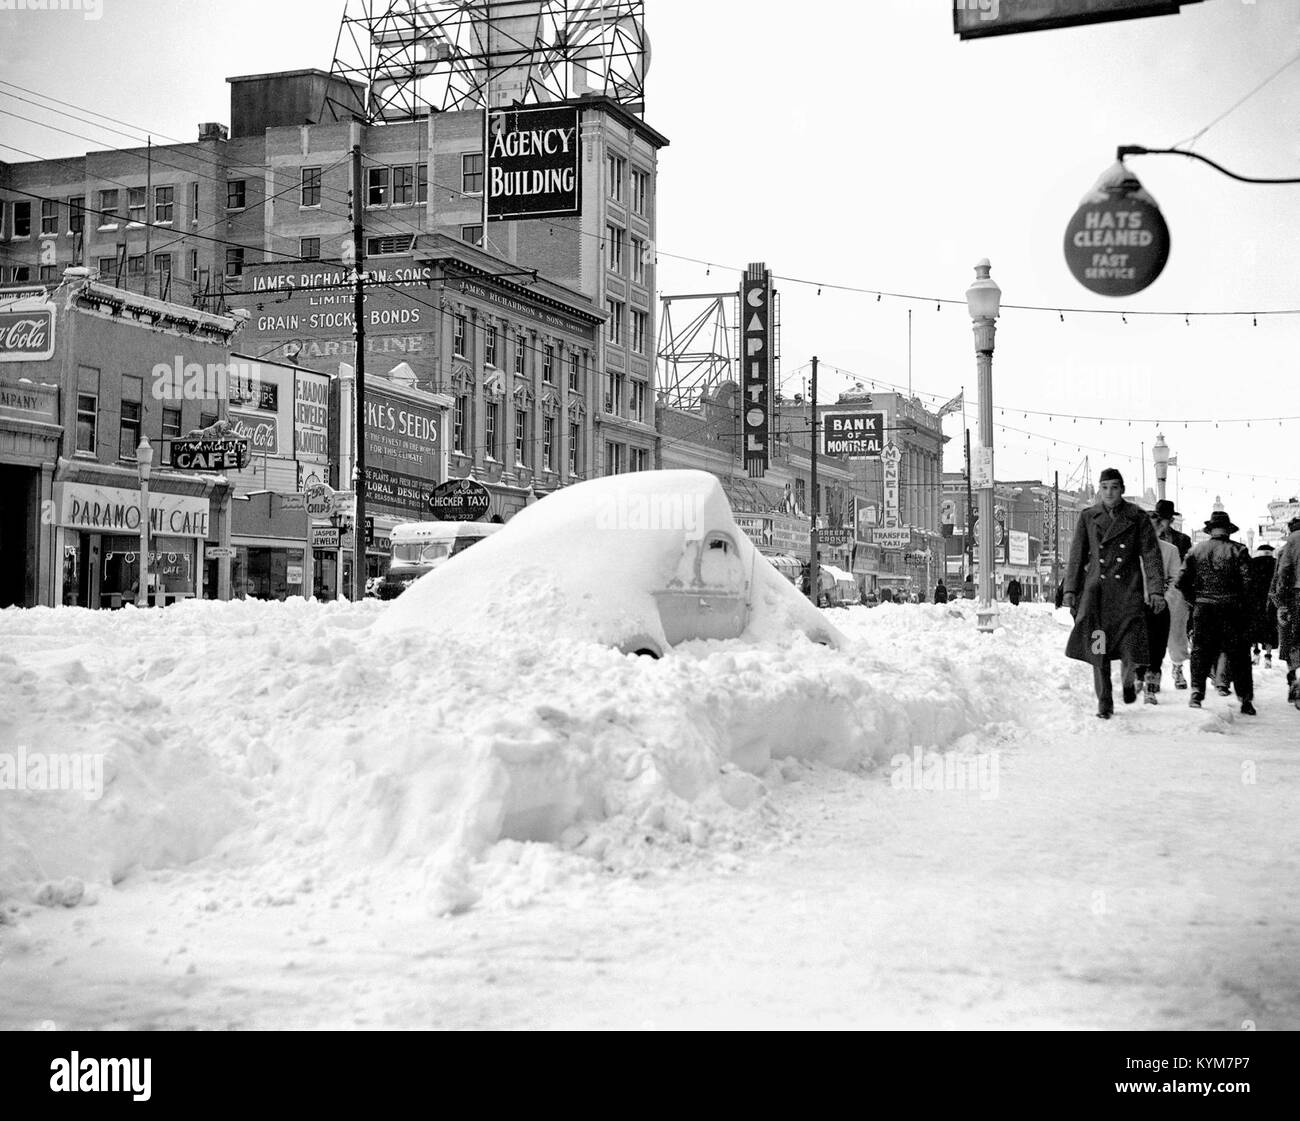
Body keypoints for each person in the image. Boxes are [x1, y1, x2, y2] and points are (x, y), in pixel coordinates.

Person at [1063, 468, 1166, 719]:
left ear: (1122, 490)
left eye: (1114, 487)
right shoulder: (1088, 516)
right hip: (1096, 596)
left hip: (1128, 593)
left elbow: (1151, 556)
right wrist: (1070, 589)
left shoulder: (1137, 517)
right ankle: (1104, 701)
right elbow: (1077, 556)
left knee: (1131, 645)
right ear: (1100, 489)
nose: (1109, 492)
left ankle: (1129, 679)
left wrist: (1155, 591)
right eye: (1105, 487)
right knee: (1099, 650)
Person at [1175, 510, 1254, 714]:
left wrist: (1195, 600)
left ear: (1210, 530)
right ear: (1228, 530)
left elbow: (1180, 582)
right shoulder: (1239, 550)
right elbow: (1248, 584)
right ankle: (1245, 700)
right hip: (1232, 609)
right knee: (1238, 654)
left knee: (1201, 651)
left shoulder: (1196, 550)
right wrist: (1243, 606)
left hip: (1204, 608)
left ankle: (1196, 694)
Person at [1132, 510, 1182, 703]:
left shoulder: (1170, 550)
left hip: (1159, 606)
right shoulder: (1132, 550)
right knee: (1137, 645)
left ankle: (1151, 688)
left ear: (1160, 527)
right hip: (1136, 606)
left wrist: (1164, 599)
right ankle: (1138, 678)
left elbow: (1175, 578)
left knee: (1157, 648)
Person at [1153, 500, 1192, 689]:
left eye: (1166, 519)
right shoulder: (1145, 539)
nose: (1163, 523)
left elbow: (1187, 567)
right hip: (1152, 593)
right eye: (1160, 519)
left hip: (1176, 592)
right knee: (1152, 638)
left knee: (1176, 634)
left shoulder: (1182, 540)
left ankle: (1177, 669)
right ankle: (1153, 674)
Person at [1268, 516, 1300, 708]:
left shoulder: (1291, 541)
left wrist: (1280, 602)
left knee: (1292, 639)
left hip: (1295, 596)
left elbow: (1283, 572)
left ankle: (1293, 678)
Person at [1248, 544, 1278, 668]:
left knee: (1254, 627)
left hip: (1255, 601)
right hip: (1271, 600)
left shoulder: (1252, 563)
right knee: (1270, 627)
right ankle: (1268, 656)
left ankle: (1255, 653)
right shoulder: (1276, 563)